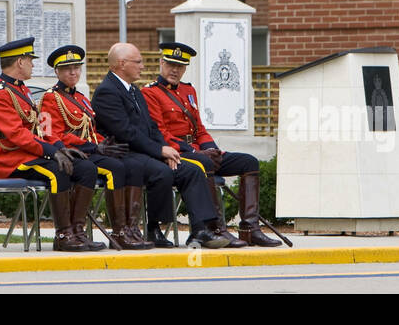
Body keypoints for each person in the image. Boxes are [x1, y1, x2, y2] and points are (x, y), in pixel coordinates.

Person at [91, 41, 231, 249]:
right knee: (161, 172)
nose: (142, 66)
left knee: (190, 170)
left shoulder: (134, 91)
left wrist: (166, 150)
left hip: (144, 151)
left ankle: (201, 230)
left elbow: (151, 127)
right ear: (121, 64)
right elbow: (125, 132)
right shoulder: (107, 92)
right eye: (138, 62)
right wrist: (159, 150)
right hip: (124, 153)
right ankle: (153, 227)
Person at [143, 42, 281, 247]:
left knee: (248, 162)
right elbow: (160, 132)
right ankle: (214, 228)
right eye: (171, 64)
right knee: (204, 162)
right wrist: (195, 150)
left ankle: (250, 229)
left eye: (180, 66)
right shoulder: (151, 93)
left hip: (199, 150)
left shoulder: (188, 91)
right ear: (161, 63)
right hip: (177, 153)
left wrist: (211, 148)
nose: (175, 70)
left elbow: (199, 127)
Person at [0, 38, 101, 252]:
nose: (32, 65)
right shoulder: (0, 93)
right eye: (29, 60)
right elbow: (17, 135)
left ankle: (78, 231)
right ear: (20, 62)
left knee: (87, 169)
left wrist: (59, 146)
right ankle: (63, 235)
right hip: (14, 159)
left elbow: (42, 126)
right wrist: (52, 153)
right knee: (59, 172)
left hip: (33, 154)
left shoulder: (21, 90)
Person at [36, 44, 152, 250]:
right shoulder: (50, 98)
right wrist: (93, 148)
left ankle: (127, 229)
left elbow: (90, 130)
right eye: (66, 69)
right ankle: (83, 231)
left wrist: (103, 143)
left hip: (90, 150)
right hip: (76, 153)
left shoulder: (80, 98)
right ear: (57, 72)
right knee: (115, 167)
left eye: (76, 68)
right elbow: (53, 134)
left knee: (131, 163)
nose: (73, 72)